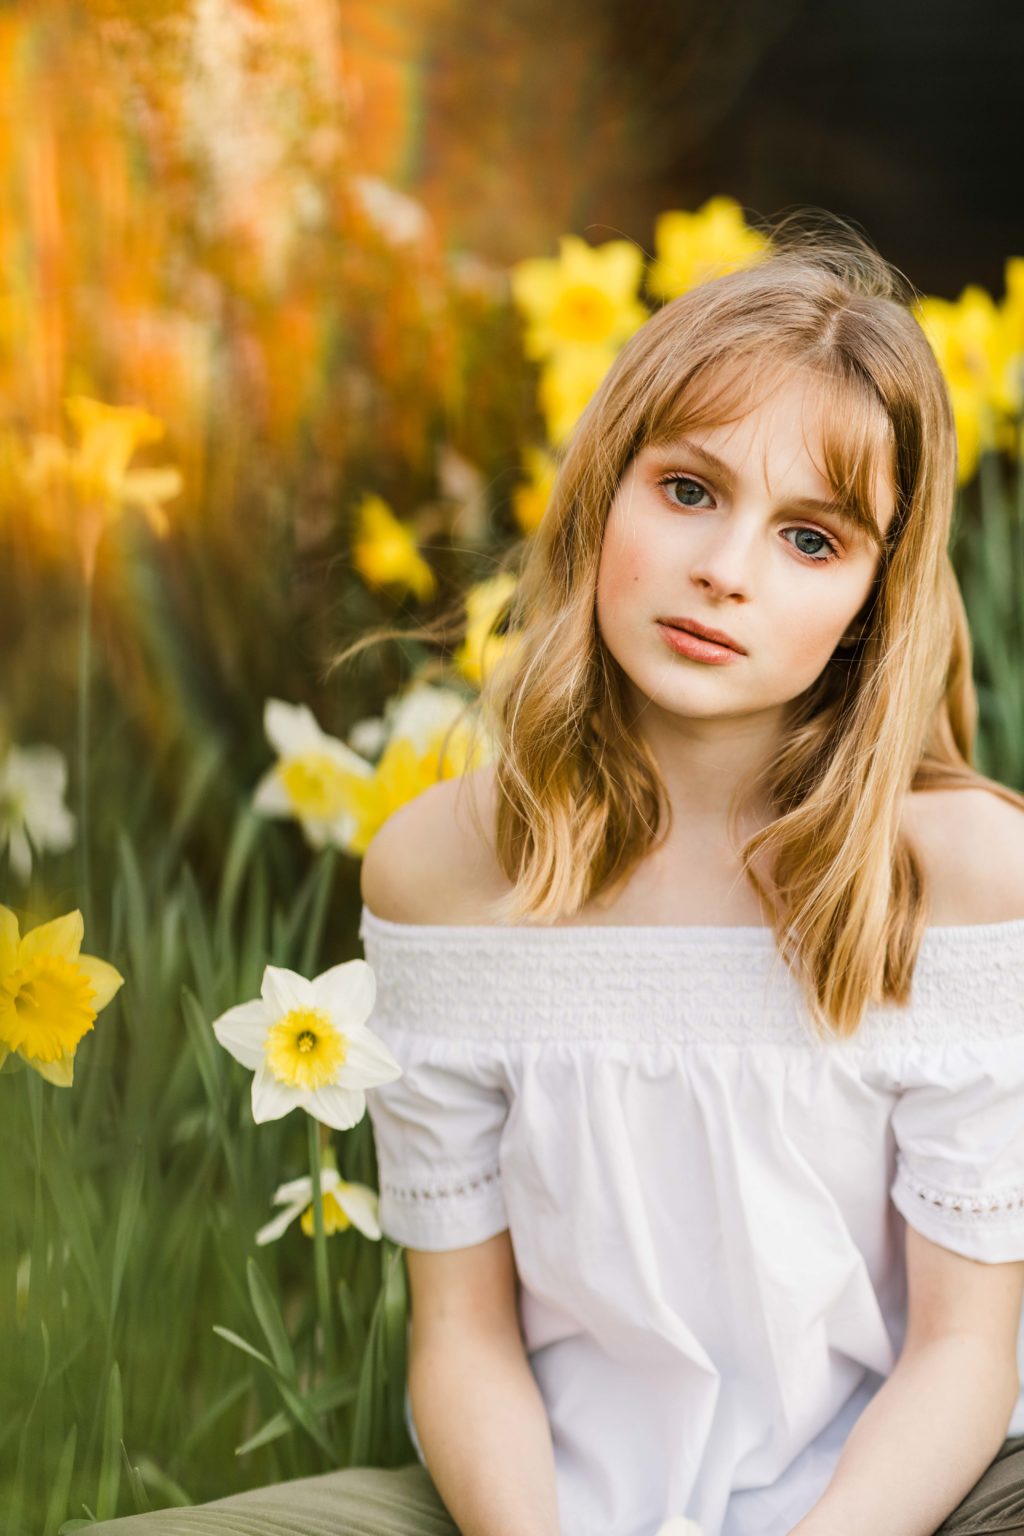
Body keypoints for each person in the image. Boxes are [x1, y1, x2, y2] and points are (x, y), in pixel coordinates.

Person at [94, 222, 1024, 1536]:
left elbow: (963, 1353)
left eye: (811, 540)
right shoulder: (442, 871)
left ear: (875, 600)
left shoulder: (961, 876)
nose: (725, 572)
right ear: (603, 494)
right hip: (546, 1503)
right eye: (688, 490)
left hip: (910, 1497)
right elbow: (463, 1338)